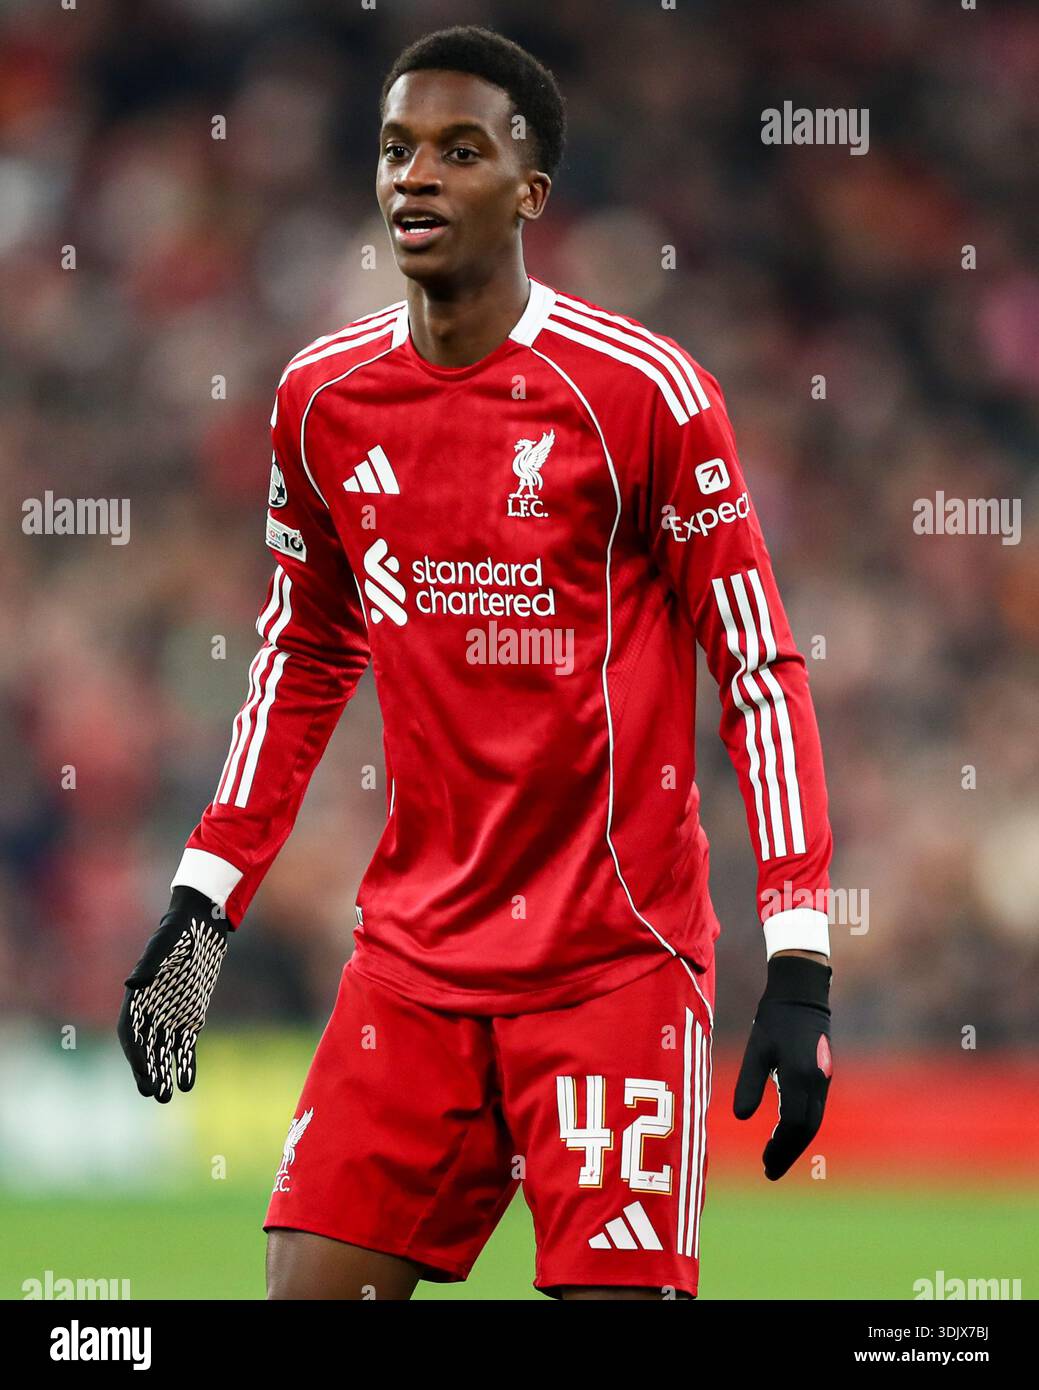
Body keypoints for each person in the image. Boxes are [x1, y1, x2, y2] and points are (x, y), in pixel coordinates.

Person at [118, 24, 834, 1301]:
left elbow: (758, 666)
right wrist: (201, 900)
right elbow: (300, 652)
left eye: (459, 151)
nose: (416, 177)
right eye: (396, 149)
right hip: (414, 962)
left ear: (530, 193)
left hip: (610, 967)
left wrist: (800, 954)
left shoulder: (642, 396)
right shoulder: (322, 400)